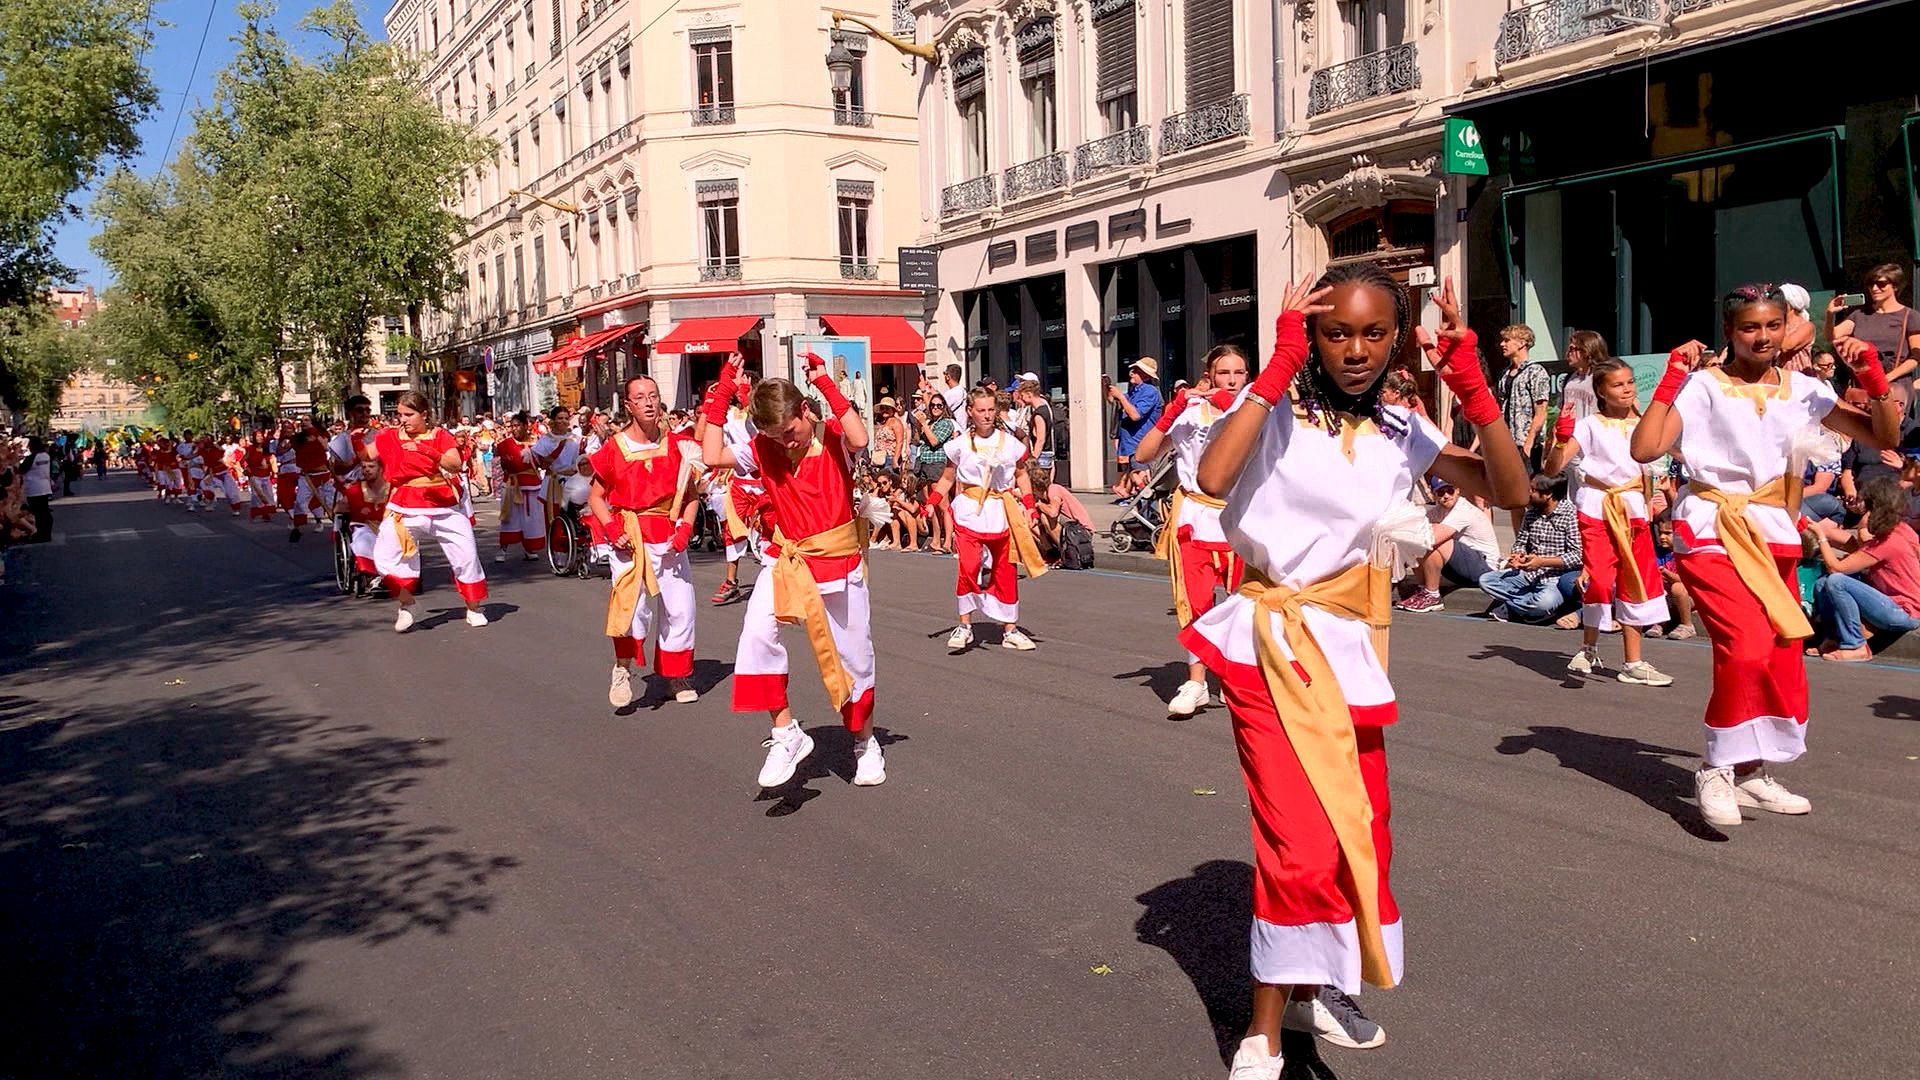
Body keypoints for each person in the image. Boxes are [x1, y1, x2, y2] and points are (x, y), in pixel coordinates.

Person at [1185, 266, 1529, 1079]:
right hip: (1269, 643)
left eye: (1375, 333)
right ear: (1312, 333)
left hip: (1349, 649)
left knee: (1357, 834)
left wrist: (1473, 387)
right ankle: (1263, 1030)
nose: (1356, 350)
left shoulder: (1402, 428)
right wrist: (1274, 367)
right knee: (1297, 845)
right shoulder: (1270, 413)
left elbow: (1514, 491)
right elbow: (1211, 479)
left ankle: (1312, 989)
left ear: (1397, 338)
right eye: (1337, 332)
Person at [1630, 284, 1899, 829]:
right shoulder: (1703, 387)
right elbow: (1645, 449)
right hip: (1711, 527)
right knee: (1746, 646)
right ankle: (1716, 766)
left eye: (1773, 326)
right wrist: (1671, 379)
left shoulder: (1805, 389)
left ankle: (1752, 770)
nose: (1763, 337)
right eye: (1750, 327)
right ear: (1729, 330)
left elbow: (1882, 434)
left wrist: (1872, 375)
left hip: (1773, 529)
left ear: (1786, 327)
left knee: (1780, 651)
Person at [698, 353, 886, 789]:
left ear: (805, 411)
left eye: (790, 432)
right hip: (788, 560)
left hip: (838, 562)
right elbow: (710, 452)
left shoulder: (832, 436)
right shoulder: (765, 446)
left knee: (855, 659)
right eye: (775, 437)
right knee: (756, 636)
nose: (786, 442)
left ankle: (865, 742)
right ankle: (785, 732)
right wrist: (724, 390)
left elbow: (860, 435)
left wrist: (825, 383)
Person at [1129, 343, 1250, 716]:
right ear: (1209, 377)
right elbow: (1144, 454)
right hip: (1194, 518)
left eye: (1239, 373)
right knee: (1196, 605)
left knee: (1240, 607)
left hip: (1239, 520)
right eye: (1224, 373)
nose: (1231, 380)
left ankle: (1233, 679)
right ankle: (1196, 681)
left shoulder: (1254, 413)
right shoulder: (1190, 413)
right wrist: (1173, 410)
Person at [1543, 357, 1674, 685]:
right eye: (1617, 384)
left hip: (1633, 509)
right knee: (1600, 579)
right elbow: (1552, 469)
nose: (1627, 389)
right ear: (1601, 391)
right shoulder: (1590, 425)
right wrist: (1560, 437)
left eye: (1629, 382)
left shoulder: (1645, 422)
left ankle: (1634, 661)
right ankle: (1589, 646)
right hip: (1598, 507)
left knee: (1636, 580)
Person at [587, 377, 703, 708]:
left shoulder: (679, 444)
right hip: (631, 538)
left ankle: (674, 675)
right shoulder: (614, 448)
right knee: (632, 608)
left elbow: (691, 495)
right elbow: (596, 497)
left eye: (653, 395)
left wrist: (684, 529)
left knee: (681, 609)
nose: (649, 402)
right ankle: (622, 669)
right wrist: (611, 529)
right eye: (641, 398)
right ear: (629, 406)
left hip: (669, 537)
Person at [925, 386, 1046, 652]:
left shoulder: (1010, 443)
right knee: (968, 567)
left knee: (1006, 571)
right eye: (981, 410)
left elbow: (1022, 475)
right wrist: (931, 504)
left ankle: (1010, 629)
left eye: (991, 410)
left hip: (1001, 512)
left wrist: (1030, 507)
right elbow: (947, 478)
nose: (987, 415)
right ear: (970, 412)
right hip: (969, 512)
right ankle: (965, 625)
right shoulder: (959, 445)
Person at [364, 390, 490, 632]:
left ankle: (474, 608)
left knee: (466, 555)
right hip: (403, 504)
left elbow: (455, 464)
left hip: (442, 503)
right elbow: (362, 455)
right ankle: (407, 605)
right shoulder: (389, 436)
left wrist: (426, 450)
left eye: (409, 414)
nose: (403, 419)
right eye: (400, 414)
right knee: (385, 557)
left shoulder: (439, 435)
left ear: (424, 414)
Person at [1807, 477, 1920, 661]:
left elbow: (1836, 568)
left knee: (1836, 581)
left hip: (1903, 612)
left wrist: (1821, 536)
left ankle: (1856, 646)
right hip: (1888, 602)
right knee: (1822, 583)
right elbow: (1860, 547)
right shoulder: (1898, 531)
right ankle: (1833, 639)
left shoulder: (1888, 541)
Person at [1477, 473, 1584, 624]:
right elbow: (1520, 542)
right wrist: (1518, 556)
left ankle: (1514, 607)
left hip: (1554, 578)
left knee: (1544, 602)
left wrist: (1542, 562)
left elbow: (1578, 555)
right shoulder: (1531, 514)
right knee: (1486, 581)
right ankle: (1528, 607)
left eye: (1533, 490)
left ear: (1548, 494)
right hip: (1527, 574)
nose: (1529, 493)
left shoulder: (1570, 515)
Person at [1396, 477, 1499, 612]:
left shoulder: (1463, 510)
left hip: (1484, 569)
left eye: (1450, 491)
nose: (1446, 496)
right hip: (1461, 568)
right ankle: (1423, 590)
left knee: (1432, 539)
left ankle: (1432, 595)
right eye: (1441, 492)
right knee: (1417, 536)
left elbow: (1432, 538)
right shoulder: (1438, 511)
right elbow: (1414, 528)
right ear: (1434, 494)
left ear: (1457, 491)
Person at [1827, 263, 1920, 412]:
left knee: (1893, 432)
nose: (1875, 288)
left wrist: (1886, 378)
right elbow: (1831, 336)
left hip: (1895, 384)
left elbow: (1915, 358)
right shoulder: (1860, 315)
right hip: (1863, 385)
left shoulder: (1909, 316)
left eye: (1881, 284)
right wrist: (1831, 314)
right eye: (1871, 284)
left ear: (1895, 286)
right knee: (1863, 431)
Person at [1496, 324, 1552, 529]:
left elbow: (1541, 411)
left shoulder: (1536, 372)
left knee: (1531, 493)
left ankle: (1537, 537)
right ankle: (1518, 540)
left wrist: (1529, 441)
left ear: (1522, 343)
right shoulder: (1504, 375)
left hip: (1526, 443)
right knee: (1513, 497)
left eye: (1507, 340)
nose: (1502, 344)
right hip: (1508, 441)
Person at [493, 411, 547, 561]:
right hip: (512, 485)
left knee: (530, 519)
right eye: (512, 426)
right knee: (509, 518)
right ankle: (503, 549)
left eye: (518, 425)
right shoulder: (504, 445)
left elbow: (542, 463)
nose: (514, 429)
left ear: (525, 426)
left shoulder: (537, 443)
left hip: (532, 486)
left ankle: (529, 548)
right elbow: (504, 464)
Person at [1108, 358, 1164, 499]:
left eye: (1136, 371)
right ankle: (1143, 512)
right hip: (1131, 444)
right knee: (1135, 476)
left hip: (1141, 443)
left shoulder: (1149, 391)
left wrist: (1120, 396)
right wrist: (1107, 387)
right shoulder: (1134, 391)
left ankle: (1150, 513)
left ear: (1145, 375)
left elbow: (1135, 415)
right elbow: (1111, 400)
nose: (1131, 373)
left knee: (1141, 476)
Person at [909, 393, 956, 554]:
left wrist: (924, 424)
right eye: (933, 405)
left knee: (943, 505)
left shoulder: (946, 423)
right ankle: (936, 539)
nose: (935, 408)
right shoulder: (929, 422)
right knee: (932, 505)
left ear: (944, 407)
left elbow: (935, 441)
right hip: (925, 463)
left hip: (938, 463)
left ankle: (948, 541)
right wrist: (918, 425)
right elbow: (917, 441)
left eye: (939, 405)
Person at [1029, 464, 1092, 564]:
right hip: (1072, 530)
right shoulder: (1043, 497)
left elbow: (1053, 513)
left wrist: (1039, 505)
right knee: (1031, 522)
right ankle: (1052, 554)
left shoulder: (1053, 490)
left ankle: (1065, 554)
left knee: (1045, 517)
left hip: (1081, 532)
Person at [22, 436, 53, 543]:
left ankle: (41, 534)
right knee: (45, 512)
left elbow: (22, 469)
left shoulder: (32, 457)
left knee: (39, 513)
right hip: (45, 486)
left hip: (34, 489)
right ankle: (47, 534)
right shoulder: (46, 455)